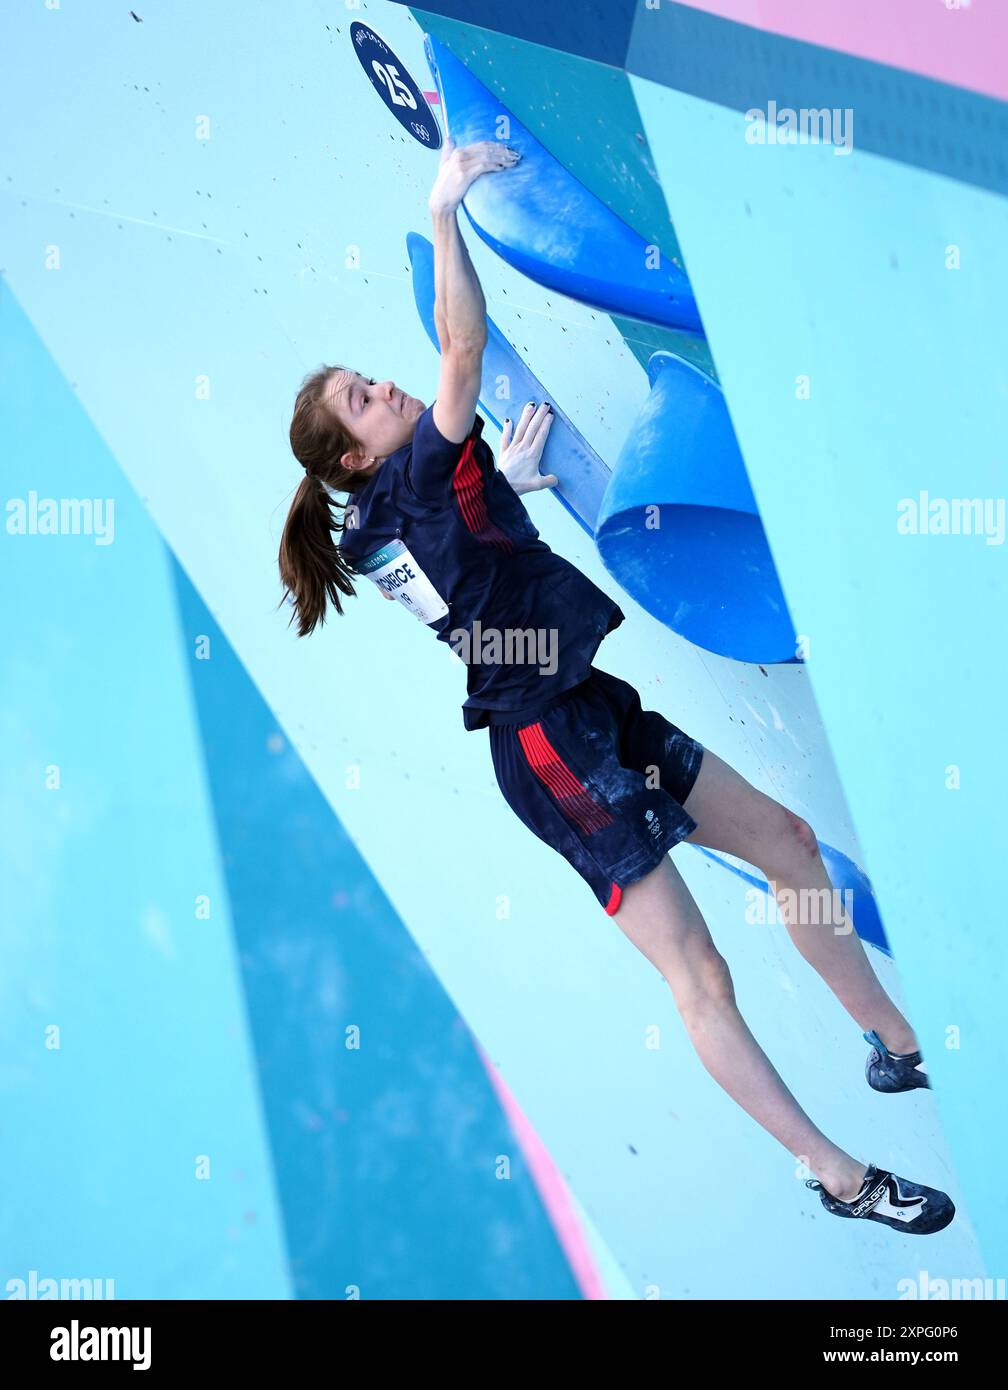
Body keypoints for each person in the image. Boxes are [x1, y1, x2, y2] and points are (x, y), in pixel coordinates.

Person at [278, 136, 953, 1236]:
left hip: (581, 709)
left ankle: (899, 1045)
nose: (386, 385)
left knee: (786, 841)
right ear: (356, 458)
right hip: (548, 750)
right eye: (365, 396)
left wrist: (506, 497)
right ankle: (837, 1175)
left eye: (370, 376)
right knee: (700, 973)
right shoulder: (406, 482)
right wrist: (443, 209)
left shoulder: (379, 519)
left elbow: (460, 584)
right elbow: (461, 347)